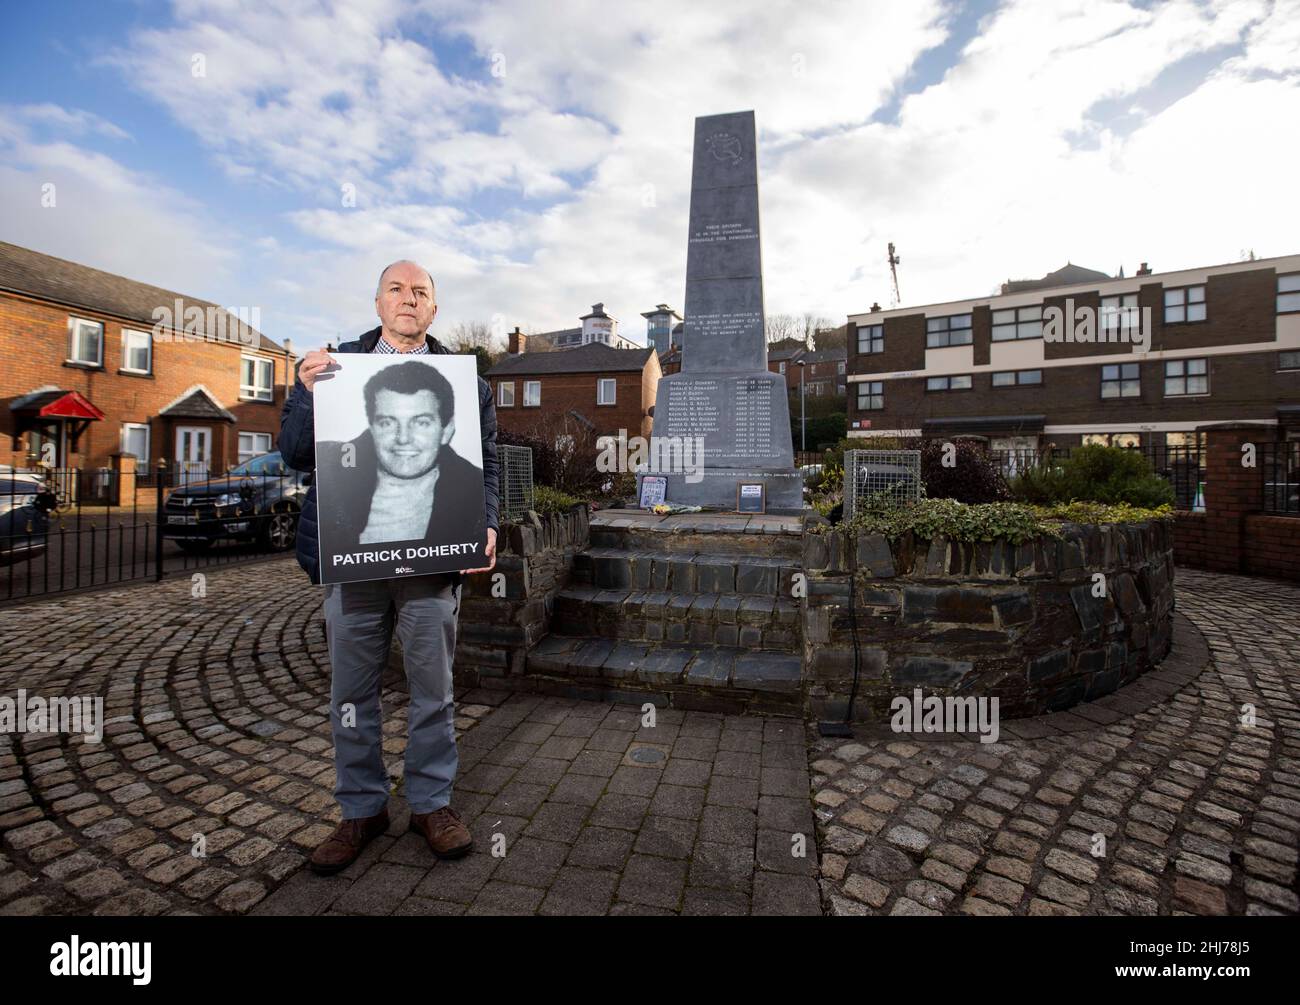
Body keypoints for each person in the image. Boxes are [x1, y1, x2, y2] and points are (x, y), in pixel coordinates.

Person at [278, 260, 499, 875]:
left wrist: (486, 520)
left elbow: (490, 464)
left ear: (434, 308)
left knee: (434, 690)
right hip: (354, 568)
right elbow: (296, 454)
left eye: (420, 292)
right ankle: (362, 809)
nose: (408, 299)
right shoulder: (336, 369)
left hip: (433, 564)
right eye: (396, 290)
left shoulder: (469, 385)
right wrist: (302, 390)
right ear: (378, 303)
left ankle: (431, 805)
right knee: (352, 693)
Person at [316, 358, 485, 558]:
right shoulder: (334, 478)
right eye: (387, 423)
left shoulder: (475, 492)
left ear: (446, 430)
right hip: (357, 586)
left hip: (435, 582)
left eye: (421, 423)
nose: (403, 438)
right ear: (372, 428)